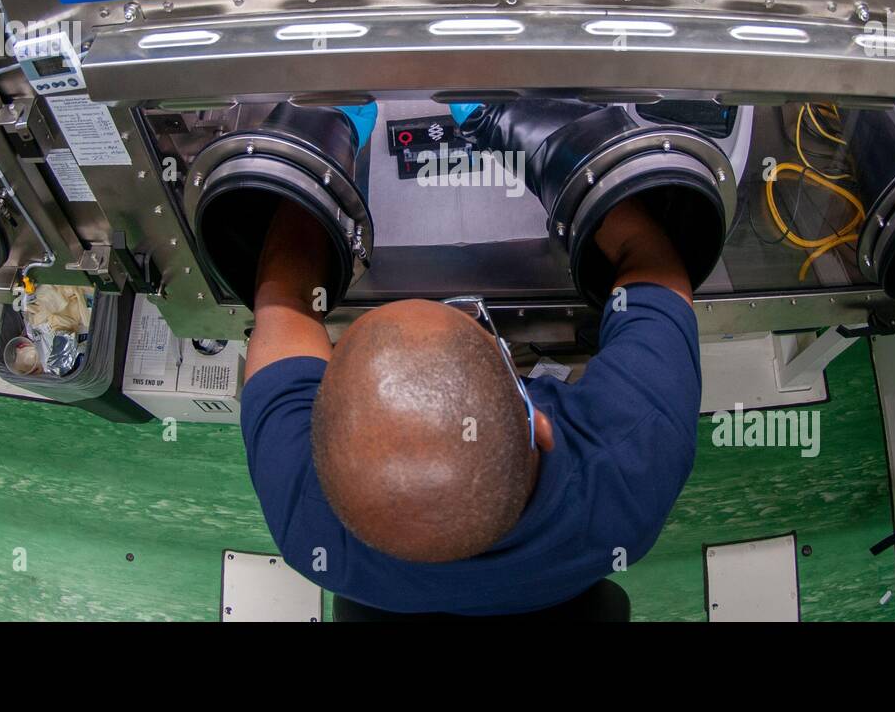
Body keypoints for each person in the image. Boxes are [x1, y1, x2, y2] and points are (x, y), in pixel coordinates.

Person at [240, 179, 703, 619]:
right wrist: (563, 165)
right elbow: (654, 267)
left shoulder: (308, 524)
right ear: (538, 426)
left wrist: (323, 149)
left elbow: (283, 300)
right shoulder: (634, 467)